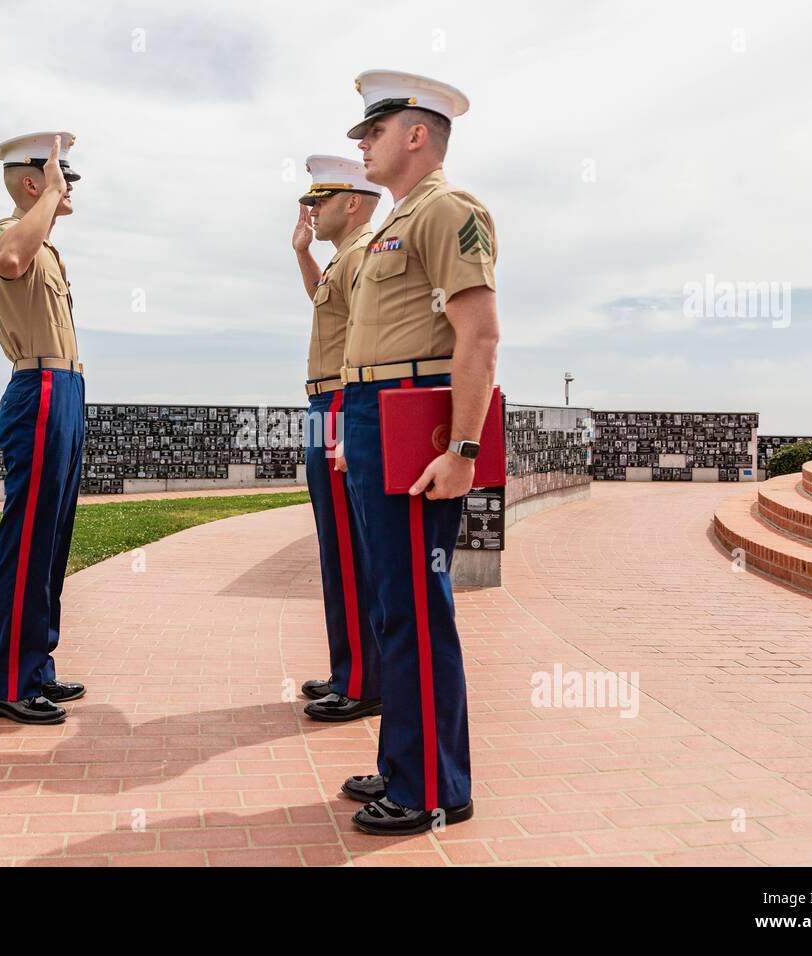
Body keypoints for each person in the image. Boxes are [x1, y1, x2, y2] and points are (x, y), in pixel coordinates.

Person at [337, 71, 500, 834]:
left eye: (373, 130)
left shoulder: (449, 212)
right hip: (373, 416)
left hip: (415, 423)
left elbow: (479, 336)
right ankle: (405, 759)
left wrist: (463, 448)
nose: (363, 143)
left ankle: (434, 784)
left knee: (414, 609)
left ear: (416, 134)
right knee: (388, 605)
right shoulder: (389, 226)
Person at [0, 131, 88, 724]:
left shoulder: (46, 246)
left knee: (50, 540)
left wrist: (48, 197)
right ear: (33, 183)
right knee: (26, 543)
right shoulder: (9, 232)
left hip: (66, 389)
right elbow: (9, 260)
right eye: (62, 179)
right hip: (40, 389)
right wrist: (49, 194)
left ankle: (36, 668)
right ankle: (7, 682)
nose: (70, 190)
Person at [291, 155, 384, 723]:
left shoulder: (364, 256)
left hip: (340, 404)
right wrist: (302, 252)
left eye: (321, 200)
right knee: (336, 548)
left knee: (350, 552)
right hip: (324, 404)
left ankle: (363, 681)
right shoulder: (341, 261)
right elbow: (324, 306)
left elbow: (363, 347)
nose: (311, 209)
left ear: (352, 204)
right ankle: (347, 668)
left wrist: (347, 423)